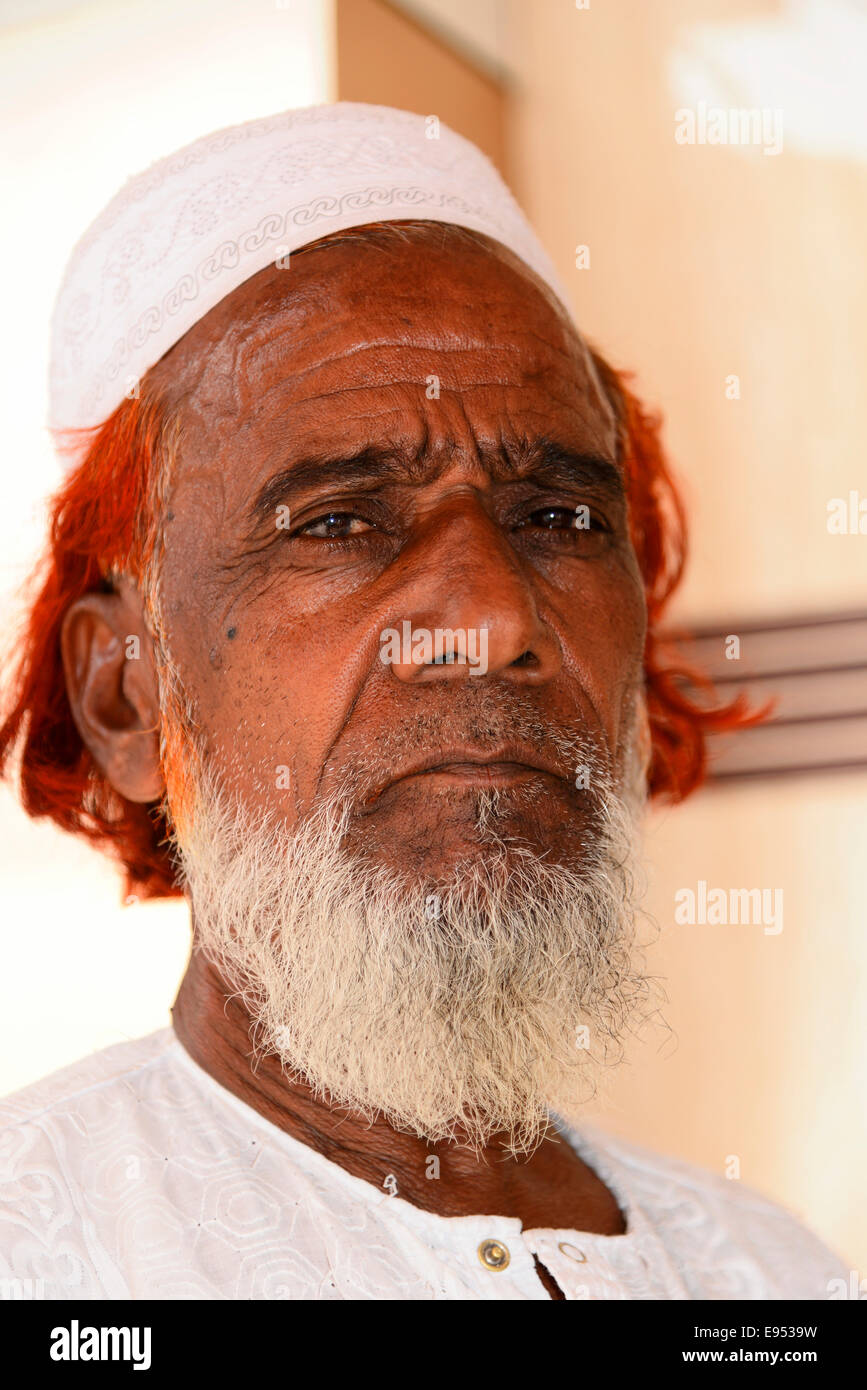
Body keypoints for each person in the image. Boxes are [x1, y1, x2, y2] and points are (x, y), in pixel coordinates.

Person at [0, 103, 846, 1300]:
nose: (495, 622)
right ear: (126, 694)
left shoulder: (775, 1280)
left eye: (559, 518)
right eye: (340, 522)